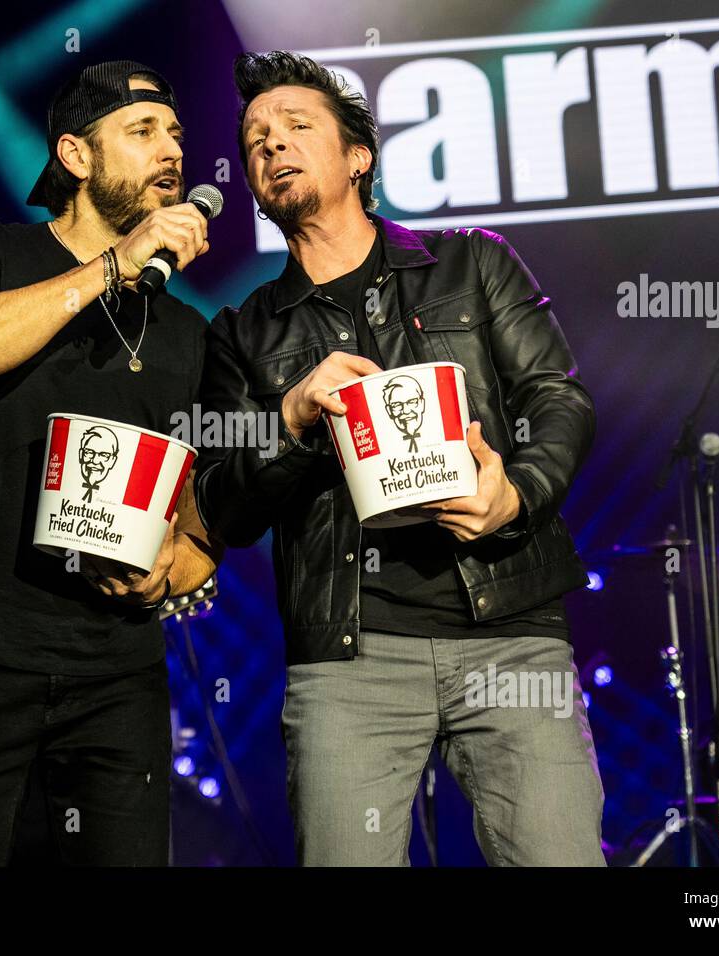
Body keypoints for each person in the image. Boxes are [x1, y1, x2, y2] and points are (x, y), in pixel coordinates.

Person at [195, 52, 604, 866]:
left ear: (359, 156)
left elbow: (559, 400)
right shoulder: (244, 333)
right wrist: (291, 416)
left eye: (296, 127)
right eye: (255, 141)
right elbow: (223, 506)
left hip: (510, 635)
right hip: (349, 659)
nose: (271, 146)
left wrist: (514, 494)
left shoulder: (472, 262)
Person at [0, 60, 221, 866]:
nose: (171, 151)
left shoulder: (187, 332)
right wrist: (114, 267)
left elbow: (199, 526)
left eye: (176, 134)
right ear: (76, 156)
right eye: (143, 131)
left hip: (118, 676)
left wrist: (175, 568)